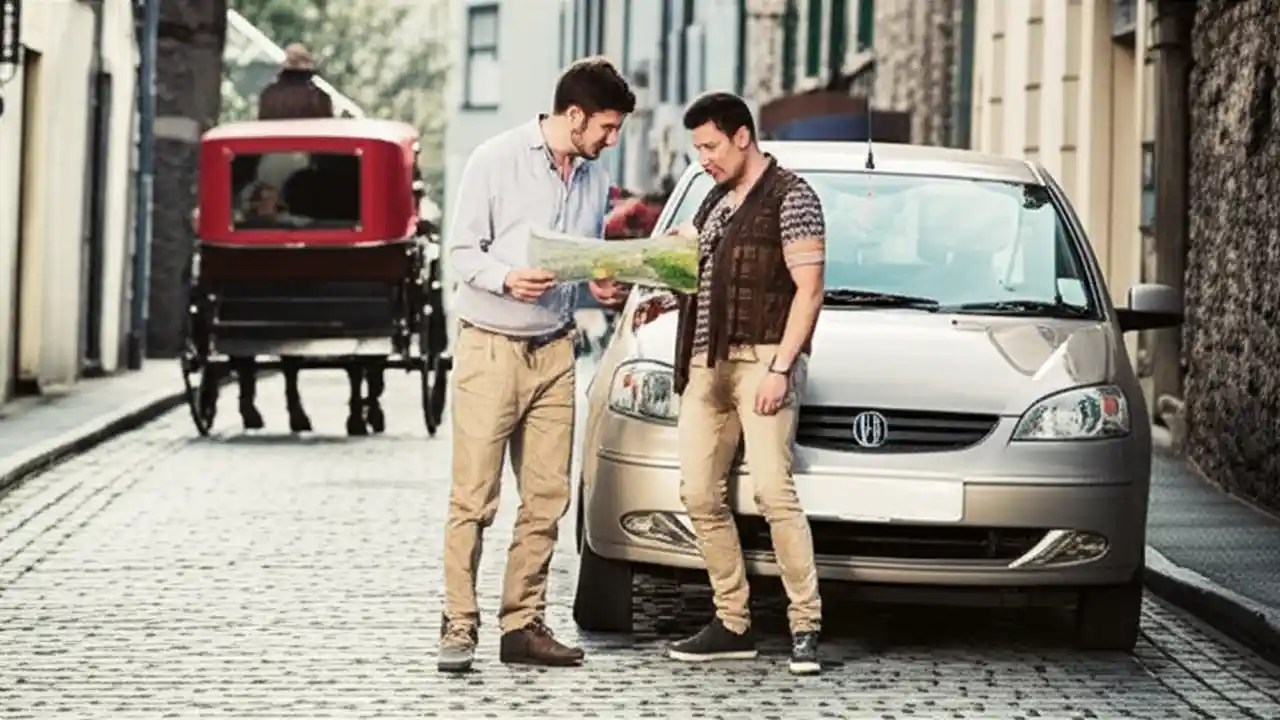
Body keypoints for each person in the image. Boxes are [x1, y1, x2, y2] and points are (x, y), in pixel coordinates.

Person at [438, 56, 635, 673]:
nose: (611, 139)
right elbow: (461, 251)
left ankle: (521, 625)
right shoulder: (493, 159)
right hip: (490, 346)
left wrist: (595, 288)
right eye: (605, 127)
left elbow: (575, 262)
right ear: (573, 115)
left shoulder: (594, 179)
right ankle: (459, 624)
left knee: (547, 499)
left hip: (554, 348)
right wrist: (506, 278)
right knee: (475, 498)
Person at [666, 91, 827, 675]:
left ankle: (804, 622)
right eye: (697, 148)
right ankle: (732, 621)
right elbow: (697, 277)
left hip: (762, 358)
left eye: (710, 145)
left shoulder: (794, 196)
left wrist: (781, 368)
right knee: (700, 495)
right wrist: (660, 299)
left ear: (742, 137)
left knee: (771, 493)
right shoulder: (713, 202)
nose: (703, 157)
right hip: (706, 365)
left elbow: (810, 290)